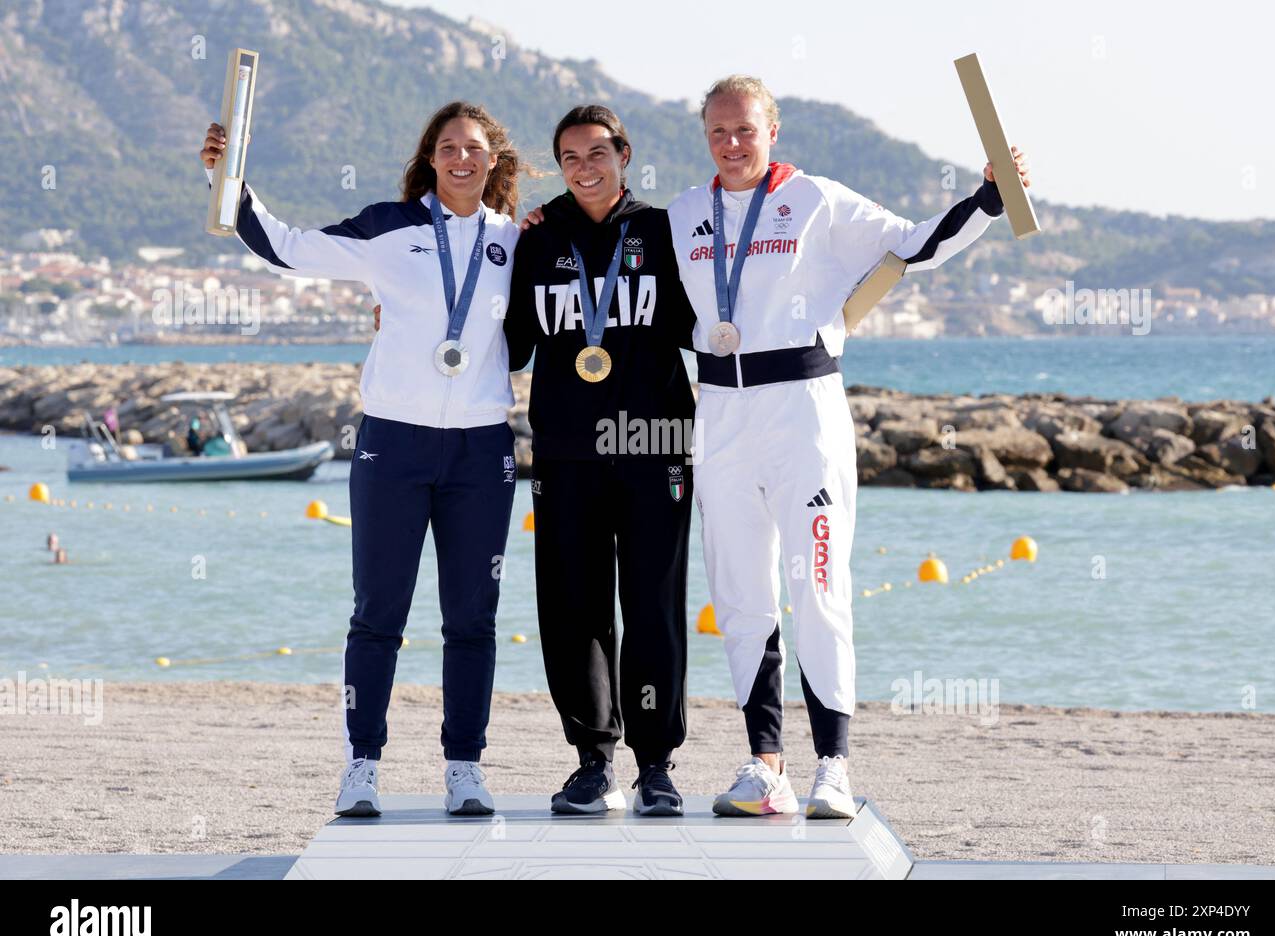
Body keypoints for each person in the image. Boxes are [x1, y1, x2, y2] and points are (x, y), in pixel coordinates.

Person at [665, 75, 1030, 818]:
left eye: (745, 130)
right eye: (718, 132)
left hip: (804, 409)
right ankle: (765, 764)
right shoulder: (681, 215)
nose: (732, 145)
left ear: (773, 131)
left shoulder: (817, 201)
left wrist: (987, 199)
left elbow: (915, 243)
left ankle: (832, 764)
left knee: (818, 588)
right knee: (740, 597)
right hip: (722, 413)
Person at [200, 100, 534, 817]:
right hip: (392, 442)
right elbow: (286, 247)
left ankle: (465, 767)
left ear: (496, 159)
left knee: (472, 616)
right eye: (447, 146)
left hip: (482, 448)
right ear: (431, 157)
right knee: (377, 613)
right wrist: (228, 181)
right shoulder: (389, 227)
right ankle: (362, 765)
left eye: (474, 147)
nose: (461, 158)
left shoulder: (519, 241)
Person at [505, 105, 697, 815]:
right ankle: (593, 759)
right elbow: (510, 342)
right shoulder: (538, 236)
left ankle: (657, 765)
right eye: (570, 157)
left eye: (597, 153)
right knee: (574, 608)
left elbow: (713, 319)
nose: (585, 167)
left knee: (653, 607)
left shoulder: (663, 230)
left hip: (655, 448)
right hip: (567, 452)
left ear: (624, 153)